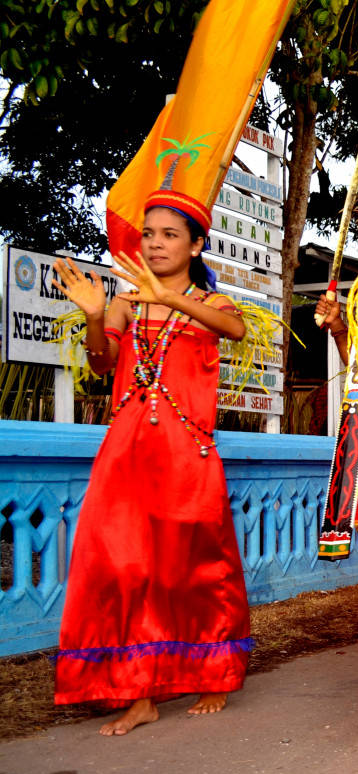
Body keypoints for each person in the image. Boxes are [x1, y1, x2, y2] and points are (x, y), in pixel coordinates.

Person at [51, 192, 254, 736]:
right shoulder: (125, 302)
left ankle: (212, 671)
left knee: (193, 566)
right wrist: (96, 316)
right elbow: (102, 362)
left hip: (188, 454)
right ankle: (137, 691)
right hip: (127, 451)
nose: (157, 243)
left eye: (169, 234)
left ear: (195, 244)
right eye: (150, 234)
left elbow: (230, 330)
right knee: (121, 564)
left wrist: (168, 296)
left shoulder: (216, 304)